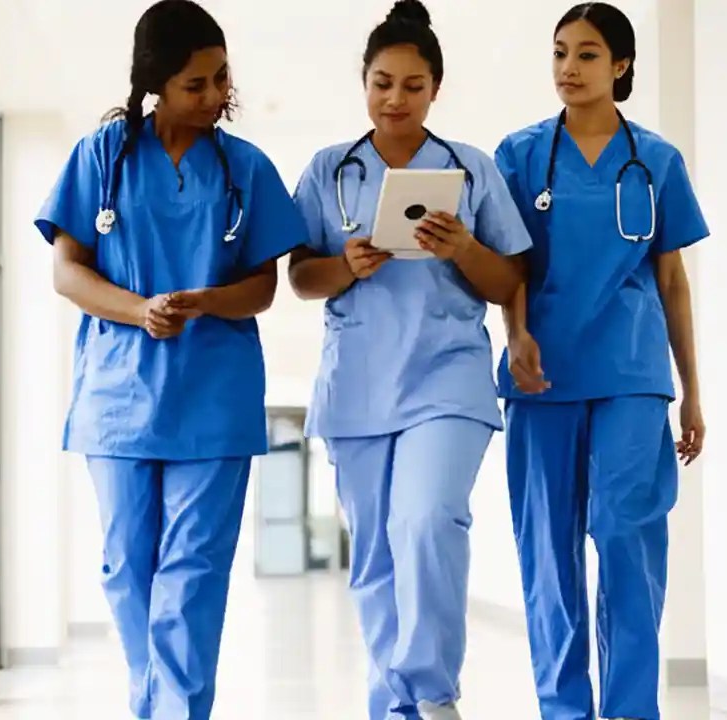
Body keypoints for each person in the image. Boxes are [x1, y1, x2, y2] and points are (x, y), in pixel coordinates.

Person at [32, 2, 306, 718]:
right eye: (197, 84)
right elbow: (69, 272)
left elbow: (263, 288)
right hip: (119, 398)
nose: (216, 96)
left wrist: (207, 302)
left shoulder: (244, 167)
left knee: (191, 576)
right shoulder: (103, 156)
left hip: (213, 398)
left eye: (221, 78)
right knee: (127, 569)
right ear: (156, 82)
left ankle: (175, 710)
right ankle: (156, 701)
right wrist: (139, 309)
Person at [288, 2, 533, 718]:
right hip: (358, 382)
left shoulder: (469, 169)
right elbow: (300, 278)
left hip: (447, 376)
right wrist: (347, 266)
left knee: (425, 521)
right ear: (363, 82)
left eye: (413, 85)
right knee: (374, 555)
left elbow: (510, 281)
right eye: (382, 82)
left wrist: (464, 249)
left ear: (436, 89)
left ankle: (430, 693)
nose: (395, 99)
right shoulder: (330, 170)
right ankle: (394, 707)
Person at [494, 3, 709, 719]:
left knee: (626, 540)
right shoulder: (521, 156)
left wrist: (692, 390)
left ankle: (630, 711)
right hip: (543, 375)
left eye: (587, 55)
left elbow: (671, 279)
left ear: (620, 65)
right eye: (559, 53)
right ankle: (564, 710)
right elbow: (508, 265)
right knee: (549, 557)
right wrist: (516, 335)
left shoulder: (656, 161)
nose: (568, 69)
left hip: (631, 374)